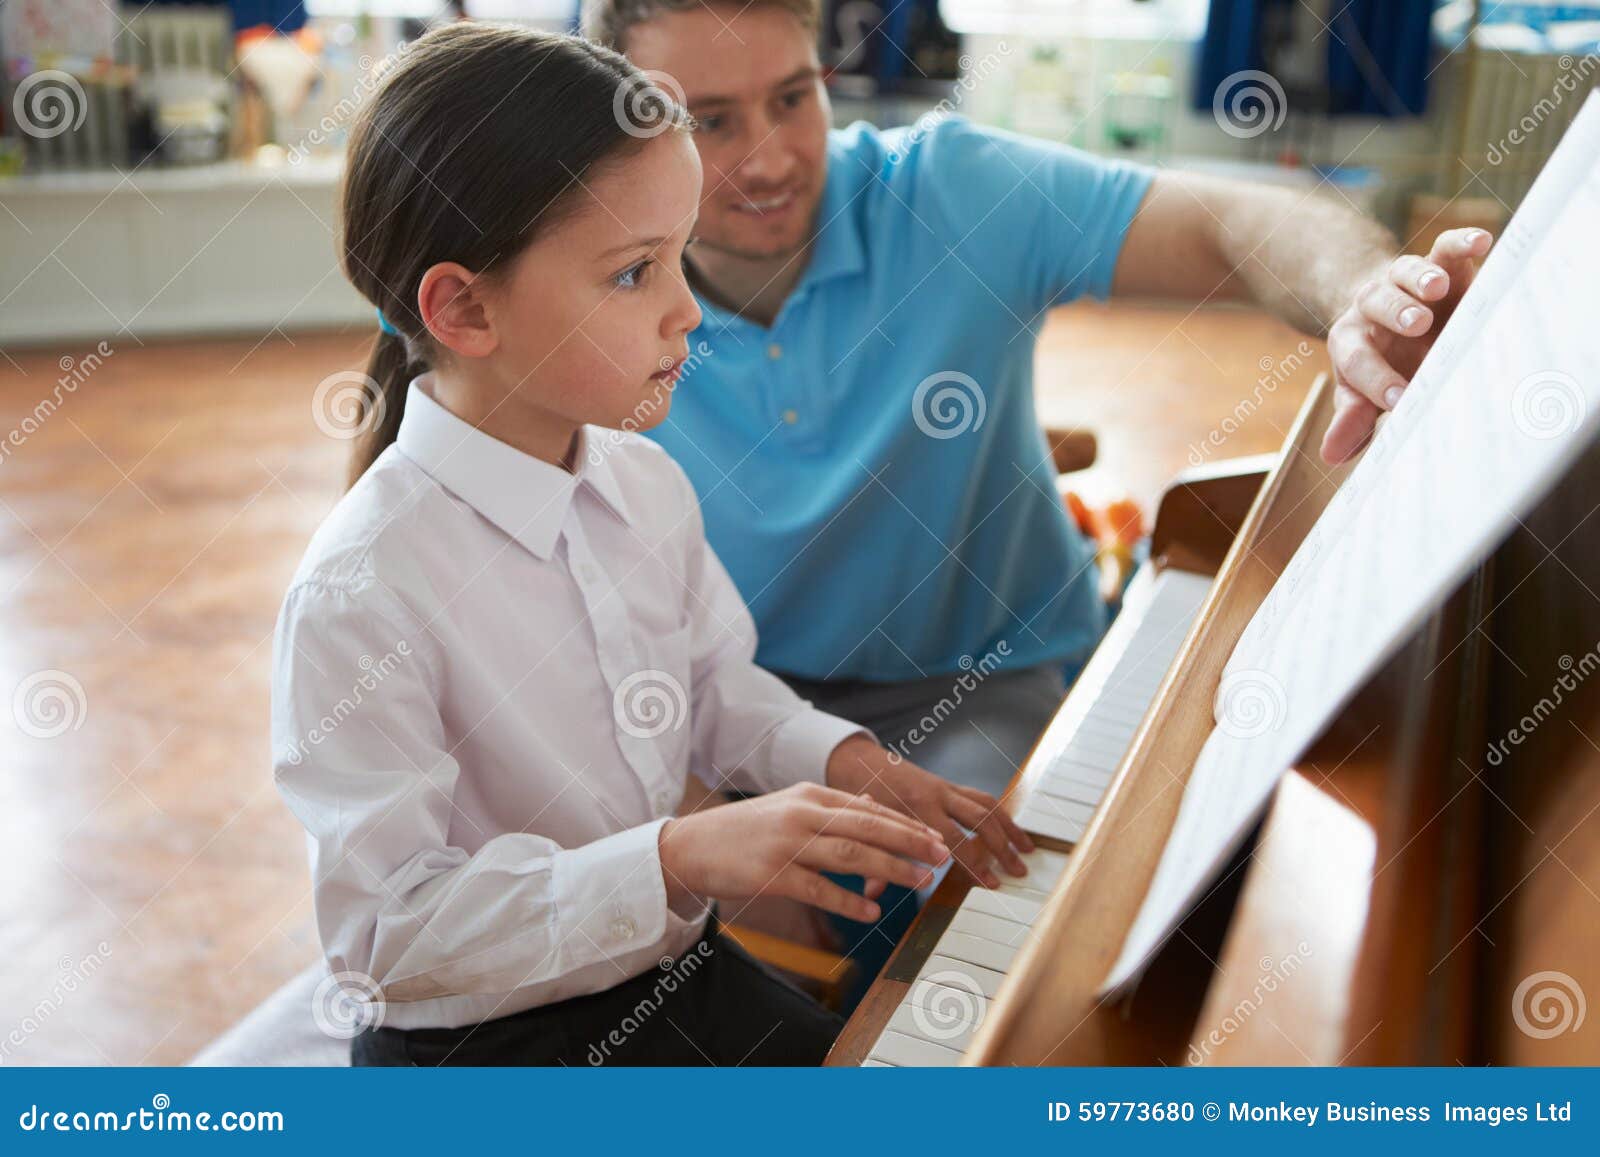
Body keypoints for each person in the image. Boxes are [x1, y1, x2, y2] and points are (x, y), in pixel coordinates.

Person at [583, 0, 1494, 983]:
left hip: (976, 684)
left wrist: (1363, 292)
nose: (767, 160)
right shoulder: (580, 294)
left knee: (997, 928)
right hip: (724, 715)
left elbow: (1236, 222)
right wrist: (697, 815)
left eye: (792, 97)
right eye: (709, 120)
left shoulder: (953, 187)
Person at [270, 22, 1033, 1066]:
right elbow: (385, 940)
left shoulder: (644, 485)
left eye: (682, 258)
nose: (685, 312)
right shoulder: (363, 590)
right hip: (481, 1052)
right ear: (463, 307)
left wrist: (847, 758)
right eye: (633, 273)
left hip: (670, 974)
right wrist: (672, 859)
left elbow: (716, 687)